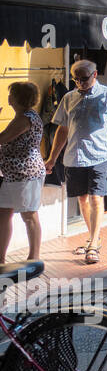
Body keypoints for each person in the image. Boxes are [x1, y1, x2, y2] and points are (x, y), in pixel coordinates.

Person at [44, 60, 107, 264]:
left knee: (96, 198)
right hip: (74, 157)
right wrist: (52, 158)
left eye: (84, 78)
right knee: (82, 199)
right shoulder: (68, 97)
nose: (80, 82)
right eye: (76, 79)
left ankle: (93, 245)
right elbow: (62, 130)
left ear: (95, 74)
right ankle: (94, 238)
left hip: (100, 155)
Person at [0, 82, 45, 262]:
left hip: (25, 174)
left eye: (11, 94)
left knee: (29, 215)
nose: (8, 97)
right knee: (3, 213)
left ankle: (34, 258)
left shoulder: (25, 118)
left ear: (17, 98)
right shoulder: (23, 116)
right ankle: (0, 259)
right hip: (12, 175)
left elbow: (3, 139)